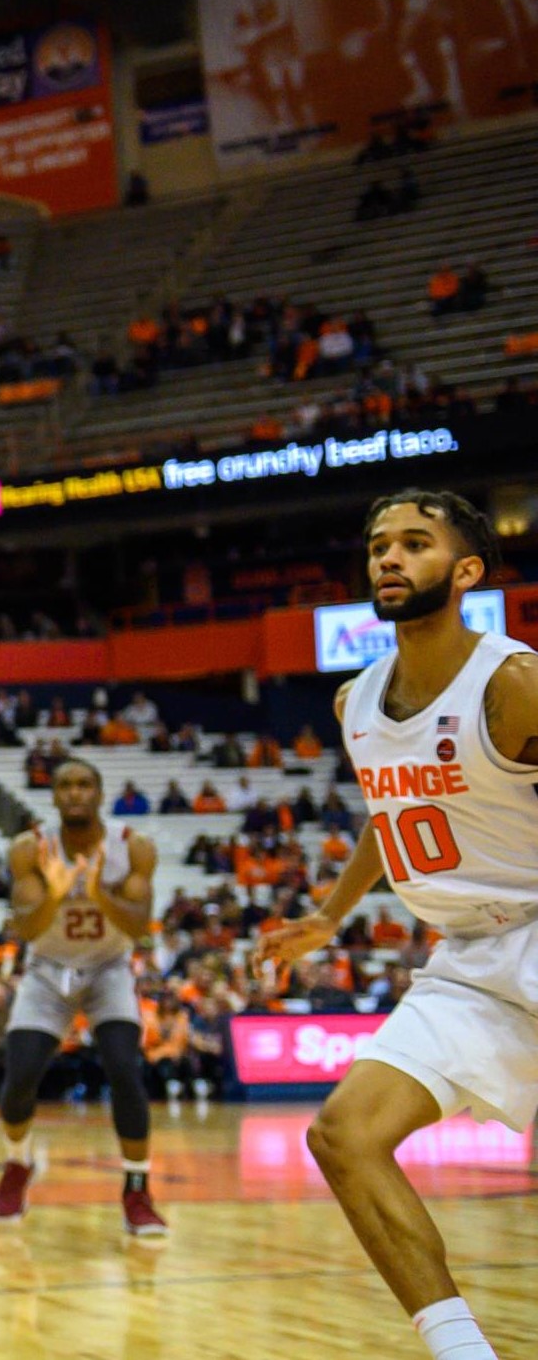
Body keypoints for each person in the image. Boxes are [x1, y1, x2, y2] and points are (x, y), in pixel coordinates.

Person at [261, 491, 535, 1360]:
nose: (388, 557)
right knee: (344, 1134)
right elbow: (392, 814)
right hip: (469, 959)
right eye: (379, 544)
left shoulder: (513, 684)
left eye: (415, 544)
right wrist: (329, 917)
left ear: (464, 571)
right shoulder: (357, 702)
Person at [0, 758, 167, 1238]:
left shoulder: (133, 848)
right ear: (53, 796)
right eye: (65, 785)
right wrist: (57, 893)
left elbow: (138, 927)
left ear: (98, 793)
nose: (74, 793)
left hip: (108, 968)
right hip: (48, 970)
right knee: (20, 1075)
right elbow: (26, 927)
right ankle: (18, 1162)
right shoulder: (30, 849)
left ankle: (137, 1189)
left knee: (123, 1069)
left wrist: (96, 892)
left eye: (84, 785)